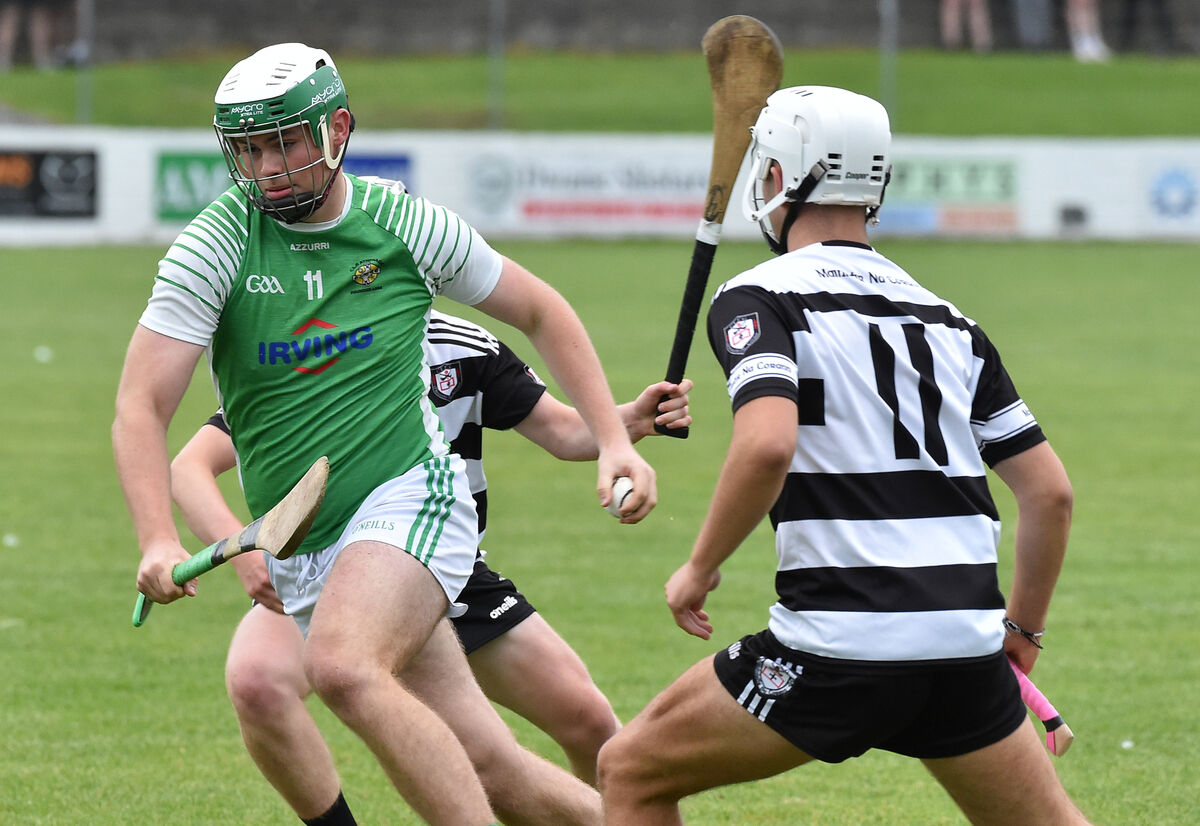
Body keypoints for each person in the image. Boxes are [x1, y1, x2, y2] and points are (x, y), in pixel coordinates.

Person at [113, 42, 656, 826]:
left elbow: (541, 309)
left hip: (412, 497)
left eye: (286, 141)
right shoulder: (216, 244)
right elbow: (141, 405)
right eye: (251, 148)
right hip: (309, 551)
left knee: (341, 667)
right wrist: (155, 538)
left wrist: (613, 439)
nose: (269, 166)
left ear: (336, 130)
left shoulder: (400, 222)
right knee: (489, 764)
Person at [596, 86, 1091, 826]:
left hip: (840, 640)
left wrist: (697, 569)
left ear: (775, 179)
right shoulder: (949, 320)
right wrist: (1019, 636)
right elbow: (1050, 494)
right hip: (964, 642)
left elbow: (766, 444)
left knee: (629, 771)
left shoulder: (758, 298)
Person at [170, 310, 692, 821]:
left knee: (586, 723)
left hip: (451, 573)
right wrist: (246, 552)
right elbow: (190, 465)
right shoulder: (315, 350)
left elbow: (561, 430)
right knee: (257, 680)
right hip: (327, 572)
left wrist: (626, 423)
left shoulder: (462, 346)